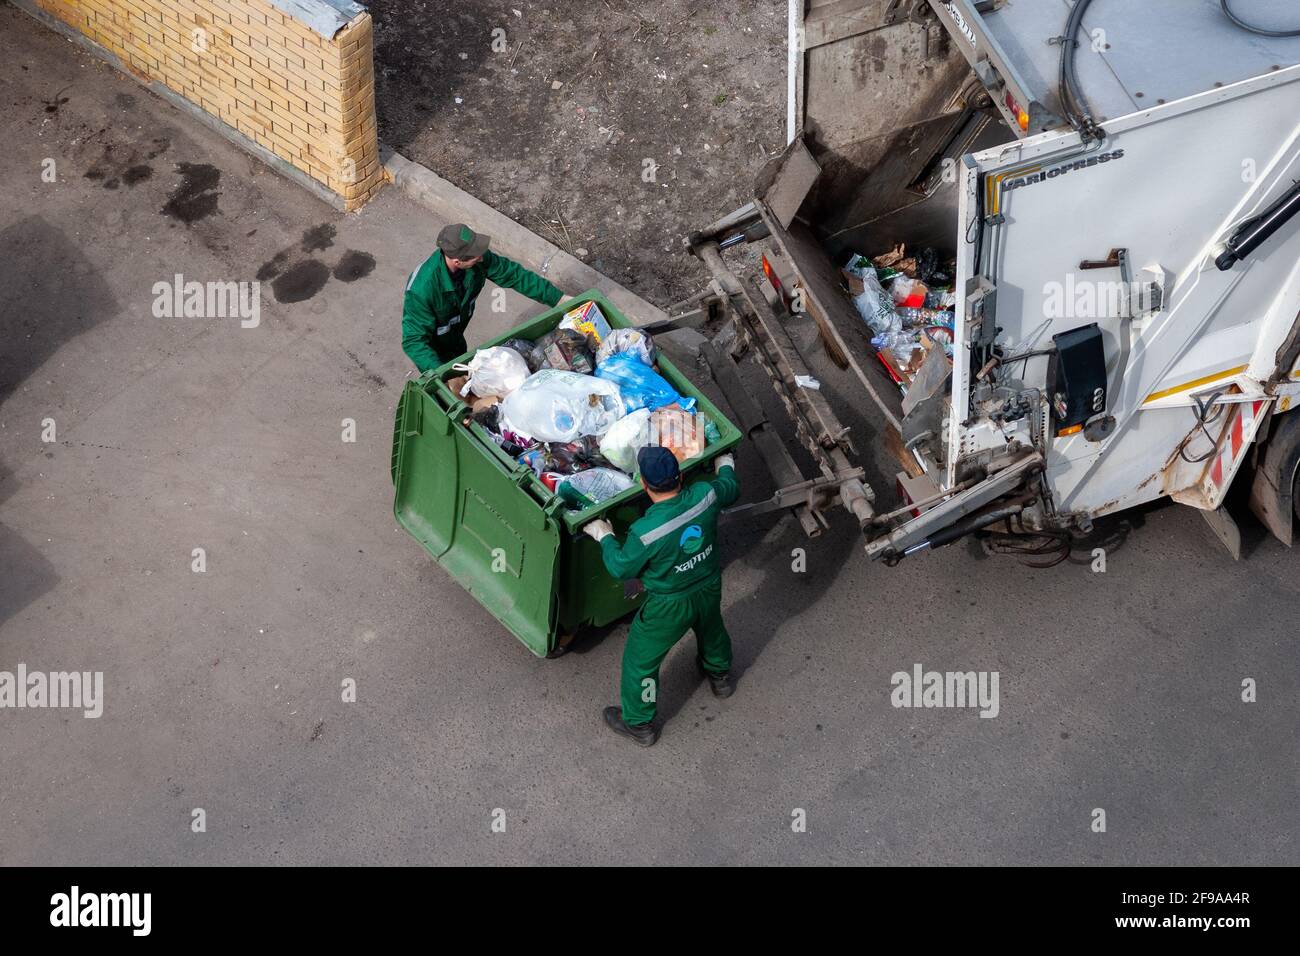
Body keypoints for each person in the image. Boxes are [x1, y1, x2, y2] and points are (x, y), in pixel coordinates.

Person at [582, 446, 740, 747]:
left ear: (643, 484)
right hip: (707, 585)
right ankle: (719, 676)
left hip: (669, 606)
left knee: (641, 662)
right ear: (680, 476)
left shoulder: (645, 532)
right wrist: (725, 462)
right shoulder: (704, 496)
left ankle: (639, 723)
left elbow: (621, 567)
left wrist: (604, 536)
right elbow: (730, 487)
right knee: (711, 628)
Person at [402, 222, 570, 372]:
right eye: (476, 255)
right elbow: (414, 341)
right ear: (457, 261)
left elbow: (514, 275)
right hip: (432, 349)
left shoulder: (476, 260)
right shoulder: (421, 290)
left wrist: (558, 298)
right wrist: (440, 376)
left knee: (462, 367)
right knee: (448, 387)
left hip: (456, 338)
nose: (481, 257)